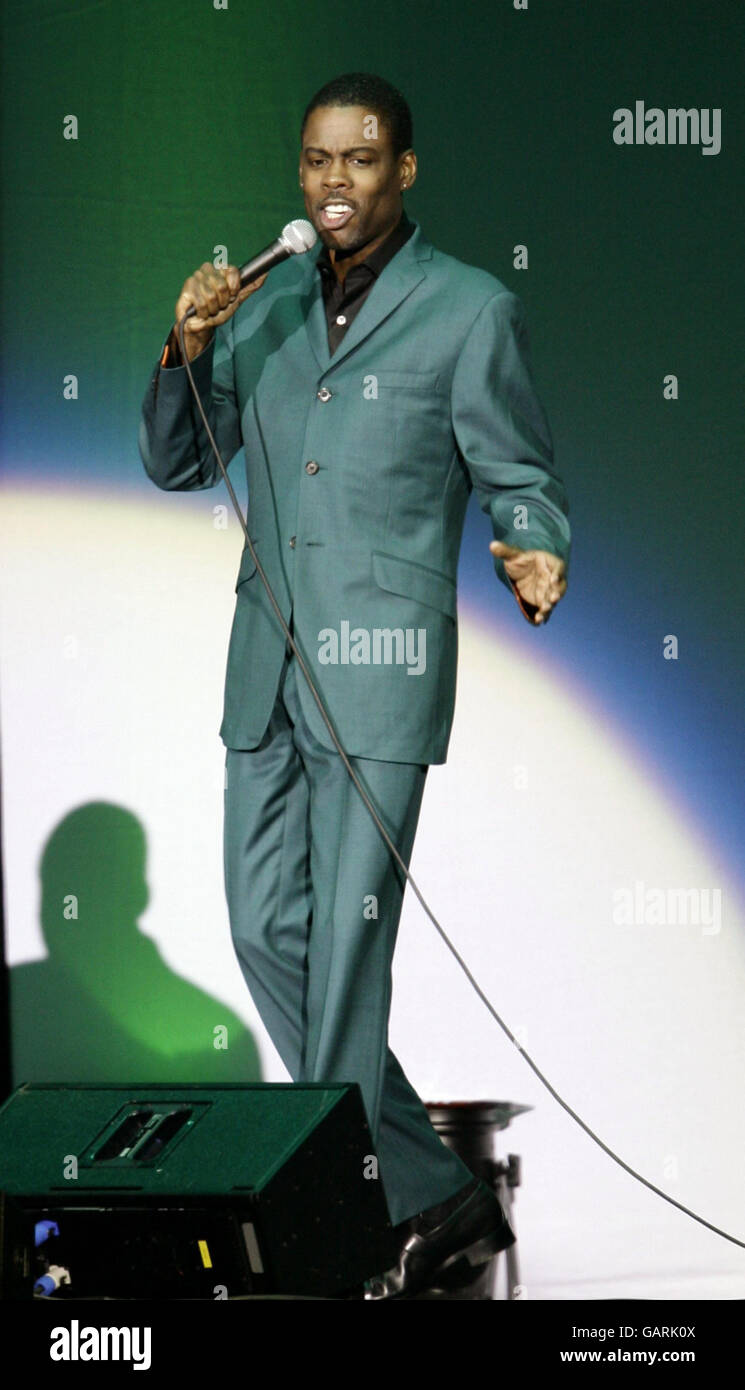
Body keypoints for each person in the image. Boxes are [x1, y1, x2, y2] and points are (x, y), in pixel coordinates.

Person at [139, 72, 570, 1300]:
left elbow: (517, 466)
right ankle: (437, 1191)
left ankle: (347, 1223)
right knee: (263, 927)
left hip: (380, 677)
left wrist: (538, 545)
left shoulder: (470, 310)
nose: (336, 181)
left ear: (405, 172)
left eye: (362, 159)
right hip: (262, 665)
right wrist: (184, 346)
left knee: (343, 959)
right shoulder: (261, 310)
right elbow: (177, 460)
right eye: (317, 160)